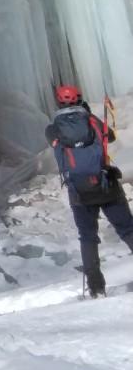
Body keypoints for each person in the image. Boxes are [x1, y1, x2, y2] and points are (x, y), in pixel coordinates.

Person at [45, 83, 133, 298]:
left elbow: (57, 146)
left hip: (79, 191)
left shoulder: (52, 129)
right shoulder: (92, 121)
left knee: (87, 237)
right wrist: (88, 114)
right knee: (128, 229)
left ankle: (95, 287)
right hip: (106, 184)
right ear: (79, 98)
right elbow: (110, 137)